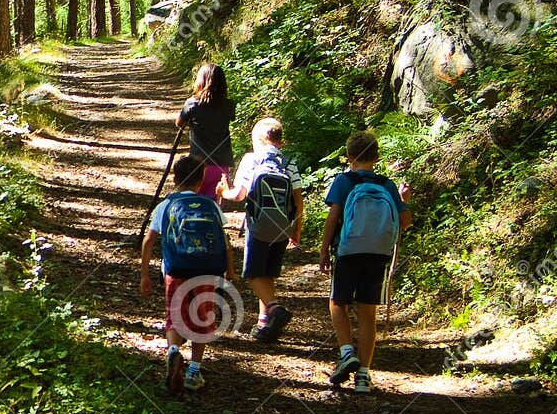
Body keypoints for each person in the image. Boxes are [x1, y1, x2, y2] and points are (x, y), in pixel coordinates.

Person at [319, 130, 412, 393]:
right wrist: (404, 202)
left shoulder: (343, 181)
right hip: (378, 254)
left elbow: (333, 218)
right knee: (368, 312)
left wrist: (324, 250)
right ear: (377, 156)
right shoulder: (387, 185)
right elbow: (405, 222)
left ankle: (347, 351)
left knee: (338, 302)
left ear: (349, 157)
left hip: (348, 251)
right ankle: (363, 376)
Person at [141, 155, 238, 394]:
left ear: (175, 179)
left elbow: (148, 240)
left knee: (174, 316)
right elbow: (224, 242)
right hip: (207, 270)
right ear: (201, 179)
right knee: (202, 318)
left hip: (176, 269)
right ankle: (194, 371)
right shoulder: (211, 205)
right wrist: (231, 270)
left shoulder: (166, 205)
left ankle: (173, 351)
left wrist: (144, 274)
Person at [220, 117, 305, 343]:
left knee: (253, 274)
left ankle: (275, 309)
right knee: (267, 273)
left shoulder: (252, 159)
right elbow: (298, 200)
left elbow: (239, 195)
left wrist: (222, 191)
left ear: (258, 138)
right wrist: (296, 228)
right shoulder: (288, 163)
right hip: (282, 226)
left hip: (258, 225)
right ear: (280, 141)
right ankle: (264, 324)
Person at [177, 63, 237, 200]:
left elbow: (179, 123)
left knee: (194, 203)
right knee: (213, 206)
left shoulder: (192, 103)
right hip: (221, 164)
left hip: (197, 165)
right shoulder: (229, 105)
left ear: (200, 81)